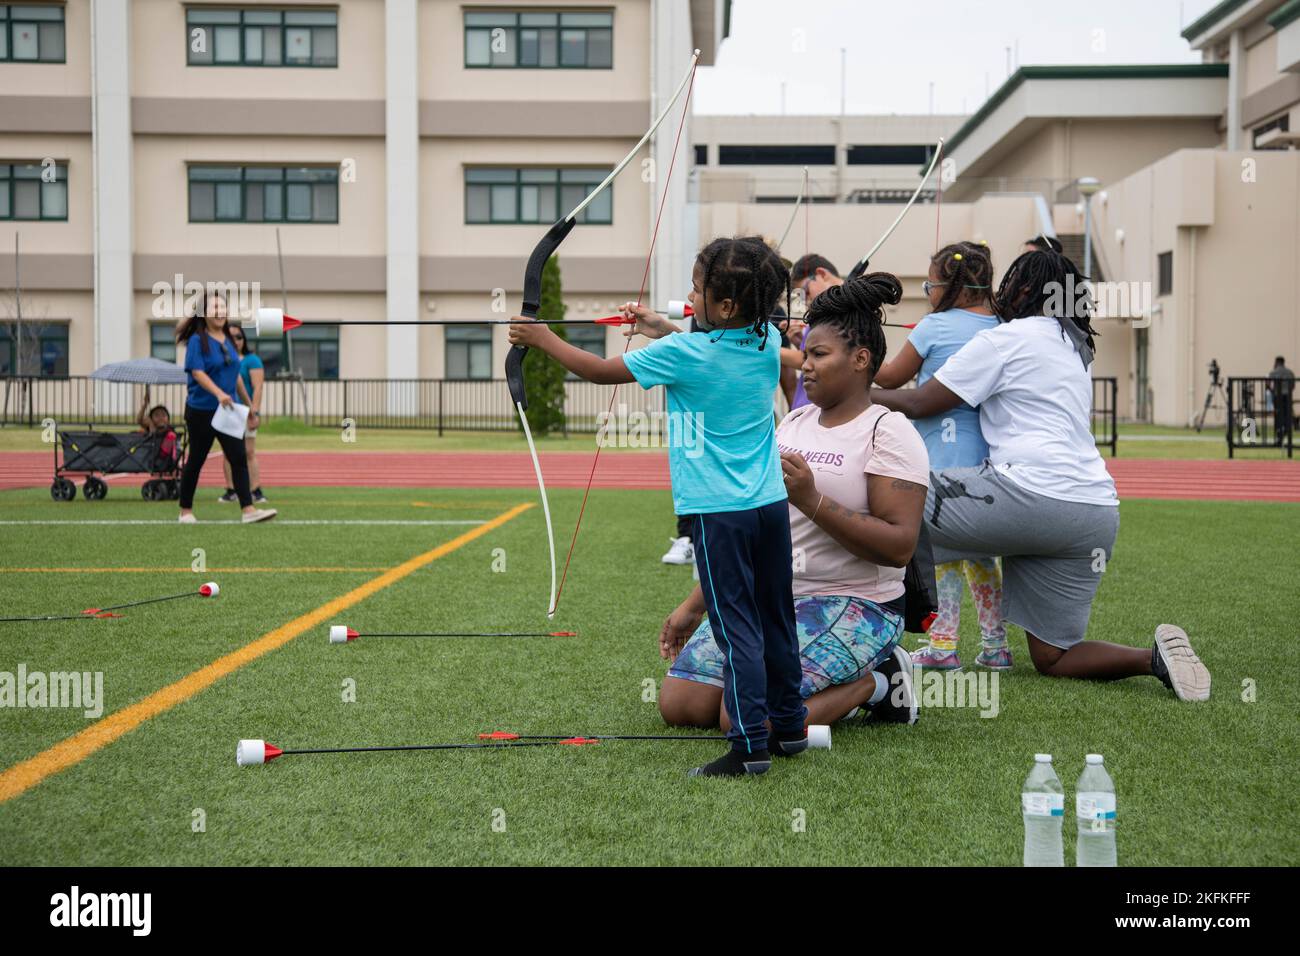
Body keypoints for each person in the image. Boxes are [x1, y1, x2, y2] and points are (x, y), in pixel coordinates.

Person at [511, 236, 808, 777]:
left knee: (734, 626)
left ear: (725, 306)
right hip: (769, 507)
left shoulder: (686, 353)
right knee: (774, 616)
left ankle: (748, 747)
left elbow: (601, 371)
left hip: (720, 515)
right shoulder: (764, 342)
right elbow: (715, 351)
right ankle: (789, 728)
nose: (689, 298)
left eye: (697, 290)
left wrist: (543, 337)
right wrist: (662, 327)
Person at [872, 248, 1211, 700]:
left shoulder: (1005, 339)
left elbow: (919, 402)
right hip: (1093, 512)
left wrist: (852, 391)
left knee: (885, 506)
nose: (1000, 294)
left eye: (1010, 284)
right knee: (1054, 657)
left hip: (1024, 495)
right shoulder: (1075, 344)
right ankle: (1152, 659)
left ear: (1027, 290)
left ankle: (861, 645)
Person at [659, 273, 928, 731]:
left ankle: (879, 682)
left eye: (819, 356)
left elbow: (900, 546)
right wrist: (695, 604)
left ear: (861, 359)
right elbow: (756, 530)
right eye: (806, 354)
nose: (805, 366)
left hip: (857, 602)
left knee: (747, 719)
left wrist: (812, 499)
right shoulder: (795, 423)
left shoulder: (889, 431)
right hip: (777, 594)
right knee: (681, 706)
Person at [874, 241, 1009, 671]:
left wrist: (858, 351)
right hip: (988, 463)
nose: (928, 292)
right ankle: (995, 647)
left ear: (948, 287)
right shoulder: (1004, 324)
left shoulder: (933, 328)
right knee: (982, 555)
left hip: (936, 463)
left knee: (943, 557)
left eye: (930, 284)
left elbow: (892, 376)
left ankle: (944, 646)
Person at [175, 291, 276, 525]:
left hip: (228, 411)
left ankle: (248, 510)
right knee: (197, 460)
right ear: (204, 313)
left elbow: (236, 376)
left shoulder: (229, 339)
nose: (220, 312)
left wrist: (250, 407)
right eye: (214, 308)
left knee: (238, 457)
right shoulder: (196, 341)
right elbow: (197, 372)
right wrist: (218, 393)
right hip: (201, 411)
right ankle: (185, 511)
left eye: (223, 307)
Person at [787, 254, 846, 412]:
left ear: (822, 274)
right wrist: (801, 343)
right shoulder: (821, 311)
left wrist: (764, 346)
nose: (805, 300)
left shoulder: (844, 309)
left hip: (820, 414)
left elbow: (803, 359)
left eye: (805, 291)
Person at [219, 326, 268, 504]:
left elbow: (258, 388)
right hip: (228, 411)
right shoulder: (223, 358)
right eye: (231, 337)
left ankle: (255, 490)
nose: (236, 341)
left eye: (239, 337)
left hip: (245, 412)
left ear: (244, 339)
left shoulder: (252, 360)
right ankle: (231, 490)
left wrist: (253, 411)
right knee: (228, 453)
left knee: (249, 452)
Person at [136, 389, 179, 470]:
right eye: (157, 415)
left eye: (163, 415)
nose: (161, 418)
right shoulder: (150, 427)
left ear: (168, 419)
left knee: (171, 436)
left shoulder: (170, 431)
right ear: (151, 418)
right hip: (148, 459)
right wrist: (145, 404)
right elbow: (139, 420)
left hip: (165, 460)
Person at [1268, 356, 1294, 446]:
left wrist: (1272, 391)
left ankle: (1279, 436)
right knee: (1287, 416)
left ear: (1276, 362)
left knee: (1278, 416)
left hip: (1277, 396)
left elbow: (1268, 384)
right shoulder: (1290, 372)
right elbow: (1292, 385)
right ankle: (1286, 433)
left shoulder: (1273, 372)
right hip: (1287, 396)